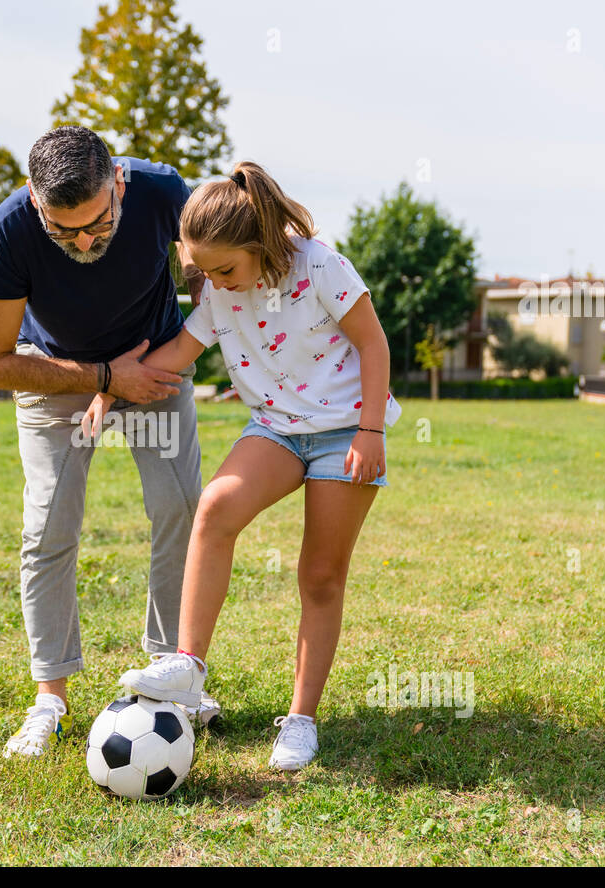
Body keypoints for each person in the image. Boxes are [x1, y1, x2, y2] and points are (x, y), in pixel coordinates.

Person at [82, 161, 402, 771]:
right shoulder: (219, 292)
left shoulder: (319, 265)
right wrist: (109, 386)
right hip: (276, 429)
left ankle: (302, 719)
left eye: (225, 269)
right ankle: (187, 668)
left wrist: (370, 429)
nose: (215, 285)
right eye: (202, 273)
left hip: (345, 431)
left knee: (320, 575)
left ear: (259, 244)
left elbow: (373, 342)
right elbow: (177, 353)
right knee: (215, 507)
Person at [0, 126, 222, 758]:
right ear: (34, 199)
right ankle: (49, 696)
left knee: (180, 511)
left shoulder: (163, 192)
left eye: (98, 224)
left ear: (119, 184)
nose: (83, 240)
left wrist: (193, 310)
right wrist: (108, 378)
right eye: (64, 230)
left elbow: (204, 263)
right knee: (49, 525)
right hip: (54, 373)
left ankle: (171, 675)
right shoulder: (8, 231)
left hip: (155, 364)